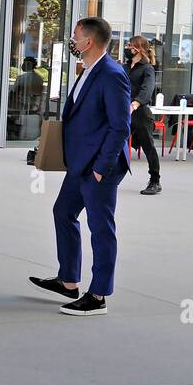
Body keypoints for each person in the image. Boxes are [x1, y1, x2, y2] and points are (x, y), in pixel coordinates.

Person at [30, 17, 132, 316]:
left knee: (101, 229)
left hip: (100, 166)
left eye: (75, 36)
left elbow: (120, 126)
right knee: (63, 212)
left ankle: (98, 295)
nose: (72, 41)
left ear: (88, 41)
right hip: (80, 163)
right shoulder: (89, 70)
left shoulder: (112, 74)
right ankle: (69, 280)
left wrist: (102, 166)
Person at [126, 35, 161, 196]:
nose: (127, 48)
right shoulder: (124, 67)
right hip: (124, 111)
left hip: (140, 112)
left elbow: (147, 90)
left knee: (148, 147)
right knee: (115, 142)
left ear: (138, 48)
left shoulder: (147, 68)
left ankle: (155, 180)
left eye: (129, 45)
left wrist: (135, 104)